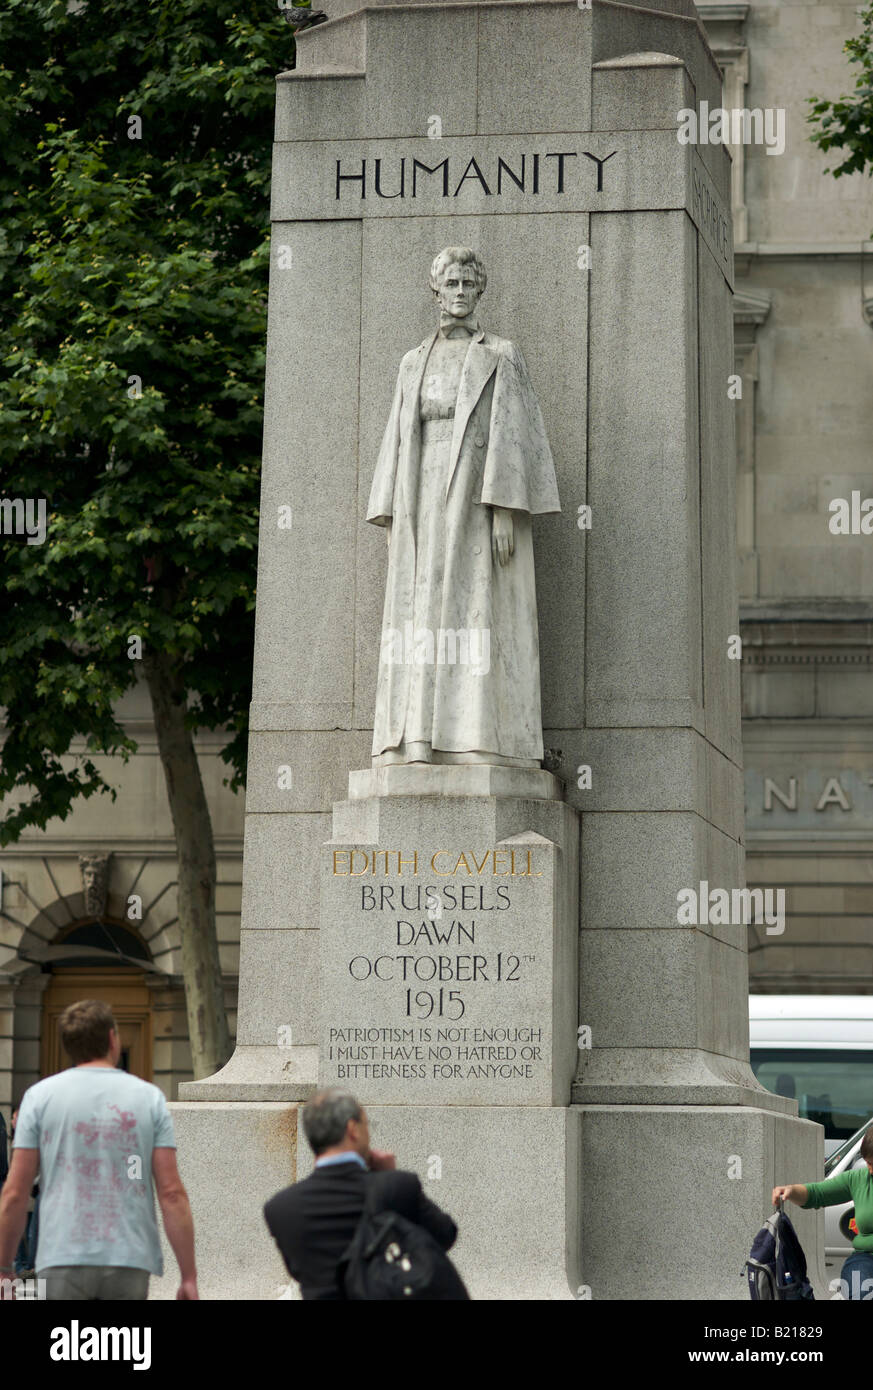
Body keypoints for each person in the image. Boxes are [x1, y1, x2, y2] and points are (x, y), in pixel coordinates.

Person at [367, 245, 561, 768]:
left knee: (473, 607)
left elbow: (514, 434)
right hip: (421, 496)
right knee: (422, 613)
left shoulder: (501, 353)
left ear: (479, 291)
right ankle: (416, 741)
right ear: (436, 290)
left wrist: (504, 508)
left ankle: (474, 736)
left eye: (466, 285)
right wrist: (391, 511)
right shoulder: (413, 361)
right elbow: (397, 439)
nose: (458, 293)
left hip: (475, 496)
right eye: (450, 284)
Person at [0, 998, 198, 1300]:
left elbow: (15, 1193)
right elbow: (171, 1193)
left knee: (69, 1346)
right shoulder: (149, 1098)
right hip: (129, 1256)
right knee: (121, 1347)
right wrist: (188, 1276)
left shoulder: (38, 1098)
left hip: (61, 1253)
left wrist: (5, 1268)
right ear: (111, 1039)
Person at [264, 1087, 461, 1300]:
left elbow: (299, 1272)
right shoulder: (398, 1187)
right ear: (353, 1130)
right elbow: (445, 1235)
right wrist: (389, 1176)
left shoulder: (280, 1209)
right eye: (367, 1126)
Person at [773, 1125, 873, 1300]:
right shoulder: (859, 1179)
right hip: (865, 1259)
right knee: (863, 1294)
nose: (870, 1169)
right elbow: (816, 1193)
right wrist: (790, 1190)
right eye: (868, 1163)